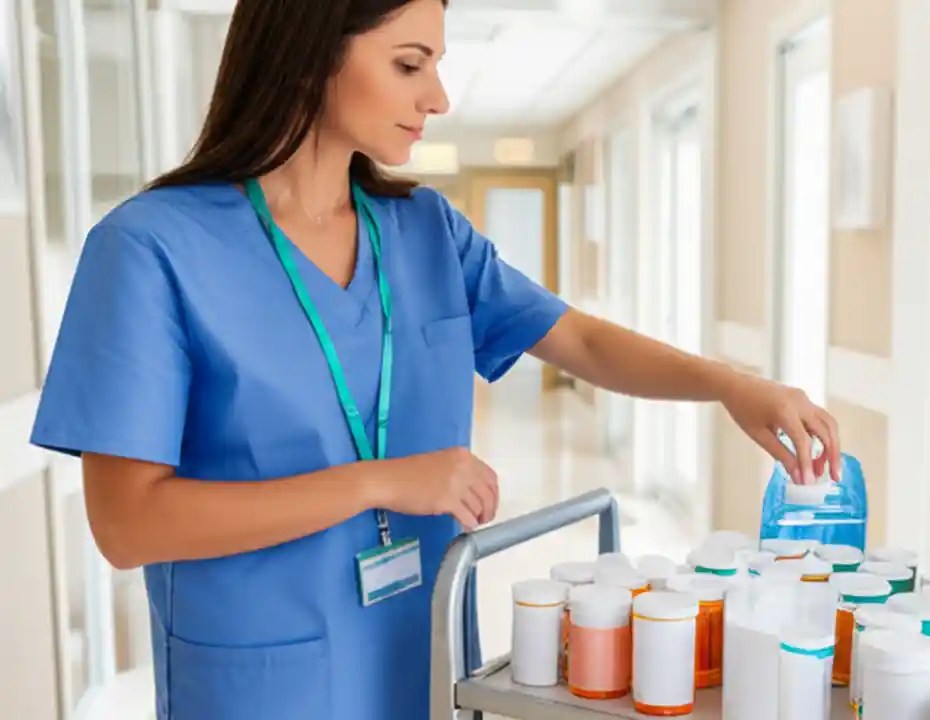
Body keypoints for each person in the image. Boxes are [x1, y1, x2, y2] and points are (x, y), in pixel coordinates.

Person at [29, 0, 842, 718]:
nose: (438, 98)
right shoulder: (150, 249)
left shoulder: (424, 232)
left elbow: (580, 340)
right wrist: (382, 481)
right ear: (310, 48)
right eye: (409, 64)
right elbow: (127, 524)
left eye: (437, 65)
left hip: (421, 651)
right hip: (260, 680)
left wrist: (733, 385)